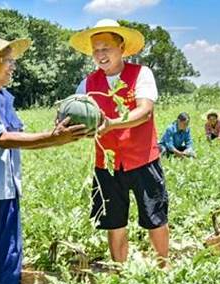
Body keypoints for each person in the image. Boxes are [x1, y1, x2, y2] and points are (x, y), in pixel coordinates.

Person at [0, 32, 89, 284]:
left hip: (8, 193)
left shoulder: (4, 98)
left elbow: (19, 137)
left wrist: (57, 133)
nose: (13, 66)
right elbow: (0, 139)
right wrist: (53, 138)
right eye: (7, 60)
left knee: (8, 265)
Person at [70, 19, 170, 267]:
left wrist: (112, 124)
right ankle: (119, 273)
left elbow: (145, 111)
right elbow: (75, 112)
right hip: (107, 163)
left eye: (106, 48)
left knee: (154, 216)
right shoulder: (88, 84)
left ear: (122, 48)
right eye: (96, 49)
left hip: (142, 159)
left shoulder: (141, 74)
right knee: (114, 222)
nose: (100, 55)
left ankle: (163, 266)